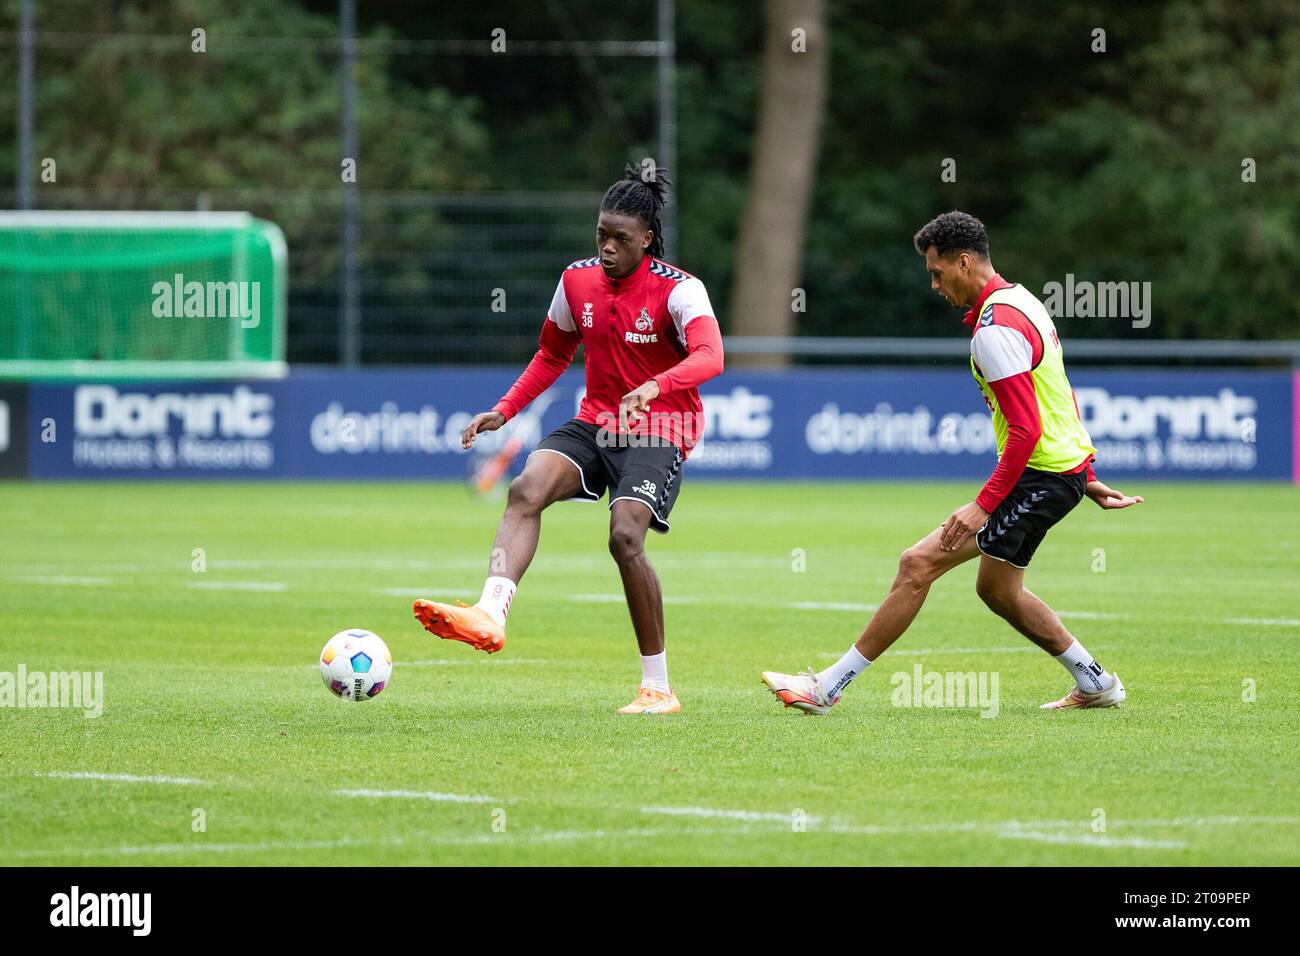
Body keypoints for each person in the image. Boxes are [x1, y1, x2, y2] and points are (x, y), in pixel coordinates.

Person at [761, 210, 1143, 715]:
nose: (935, 284)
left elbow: (1028, 428)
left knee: (918, 563)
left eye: (937, 272)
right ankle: (1096, 683)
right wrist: (1085, 474)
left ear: (964, 262)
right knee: (998, 590)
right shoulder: (1024, 301)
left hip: (1040, 473)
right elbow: (1061, 394)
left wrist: (984, 505)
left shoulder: (995, 329)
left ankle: (825, 688)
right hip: (1056, 472)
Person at [413, 165, 724, 714]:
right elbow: (553, 354)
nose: (607, 248)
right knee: (525, 489)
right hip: (597, 420)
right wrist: (504, 410)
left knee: (625, 537)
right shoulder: (575, 280)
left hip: (662, 425)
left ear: (647, 239)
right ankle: (490, 611)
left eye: (620, 239)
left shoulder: (681, 290)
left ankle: (658, 687)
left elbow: (711, 357)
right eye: (601, 234)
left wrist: (655, 386)